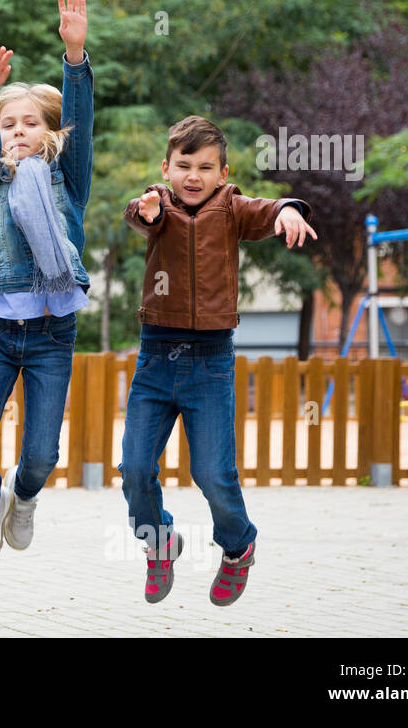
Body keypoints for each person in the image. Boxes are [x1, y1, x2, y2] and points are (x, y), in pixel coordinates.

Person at [121, 114, 317, 605]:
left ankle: (237, 546)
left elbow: (268, 209)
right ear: (166, 168)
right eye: (183, 165)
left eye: (205, 167)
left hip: (210, 363)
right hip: (155, 359)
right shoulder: (157, 206)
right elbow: (140, 215)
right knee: (134, 466)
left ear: (223, 173)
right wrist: (144, 210)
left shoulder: (232, 209)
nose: (193, 176)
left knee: (212, 473)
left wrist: (289, 210)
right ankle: (159, 541)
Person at [0, 0, 93, 564]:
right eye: (8, 124)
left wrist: (75, 52)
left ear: (50, 131)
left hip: (52, 335)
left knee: (40, 455)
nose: (16, 131)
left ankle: (25, 495)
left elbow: (83, 123)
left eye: (28, 122)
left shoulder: (69, 180)